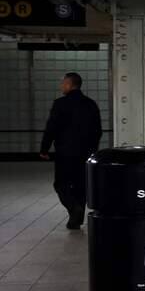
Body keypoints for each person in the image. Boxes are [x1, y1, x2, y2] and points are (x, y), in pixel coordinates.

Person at [39, 72, 102, 230]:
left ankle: (73, 207)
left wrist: (44, 148)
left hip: (65, 152)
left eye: (63, 83)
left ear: (69, 84)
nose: (61, 86)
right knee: (81, 184)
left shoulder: (60, 104)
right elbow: (98, 130)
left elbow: (51, 128)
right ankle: (76, 220)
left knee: (61, 184)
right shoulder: (91, 104)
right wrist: (92, 149)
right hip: (85, 152)